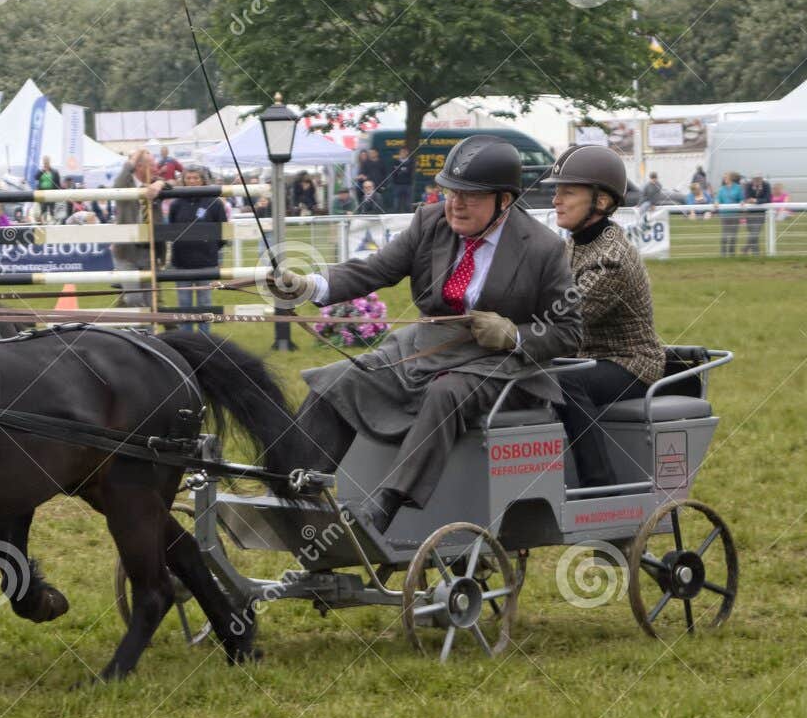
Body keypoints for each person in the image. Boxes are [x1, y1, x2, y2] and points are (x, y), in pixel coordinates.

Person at [274, 134, 582, 532]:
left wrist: (514, 334)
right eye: (450, 191)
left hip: (496, 366)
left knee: (445, 392)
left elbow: (569, 331)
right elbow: (374, 270)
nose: (455, 203)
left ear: (504, 200)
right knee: (336, 380)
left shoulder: (543, 248)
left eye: (469, 196)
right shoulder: (430, 221)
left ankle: (383, 508)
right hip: (422, 350)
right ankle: (294, 489)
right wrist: (310, 286)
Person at [541, 145, 663, 490]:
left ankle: (600, 485)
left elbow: (561, 320)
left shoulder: (611, 259)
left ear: (603, 202)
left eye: (568, 192)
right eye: (556, 191)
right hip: (585, 359)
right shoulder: (573, 243)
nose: (556, 200)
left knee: (559, 380)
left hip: (630, 364)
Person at [165, 166, 227, 334]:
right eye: (189, 178)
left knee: (205, 303)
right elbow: (171, 231)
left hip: (206, 263)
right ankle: (186, 338)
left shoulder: (215, 203)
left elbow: (224, 233)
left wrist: (210, 248)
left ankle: (204, 338)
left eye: (196, 178)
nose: (192, 181)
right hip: (181, 262)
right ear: (183, 180)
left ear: (203, 180)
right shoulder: (176, 204)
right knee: (184, 304)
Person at [112, 149, 166, 306]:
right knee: (134, 298)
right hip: (126, 252)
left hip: (149, 250)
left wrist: (160, 183)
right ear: (139, 166)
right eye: (152, 165)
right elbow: (122, 176)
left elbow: (173, 183)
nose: (156, 168)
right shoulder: (123, 185)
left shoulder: (154, 182)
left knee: (152, 300)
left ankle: (148, 330)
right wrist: (136, 154)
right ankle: (135, 328)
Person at [742, 174, 771, 254]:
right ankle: (756, 253)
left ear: (761, 180)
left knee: (755, 232)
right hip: (749, 213)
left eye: (758, 179)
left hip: (760, 213)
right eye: (755, 180)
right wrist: (751, 200)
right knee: (753, 234)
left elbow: (768, 199)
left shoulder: (766, 185)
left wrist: (755, 201)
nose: (756, 181)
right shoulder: (748, 185)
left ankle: (745, 248)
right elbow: (747, 198)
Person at [716, 171, 744, 255]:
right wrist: (716, 202)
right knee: (724, 236)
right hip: (724, 215)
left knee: (733, 236)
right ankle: (723, 254)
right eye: (724, 177)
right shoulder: (721, 189)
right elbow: (718, 199)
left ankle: (732, 254)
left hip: (735, 215)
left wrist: (742, 201)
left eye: (726, 177)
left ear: (731, 178)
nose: (724, 179)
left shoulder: (738, 188)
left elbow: (741, 198)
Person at [33, 155, 61, 222]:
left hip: (52, 193)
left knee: (52, 210)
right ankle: (43, 223)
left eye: (47, 161)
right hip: (42, 193)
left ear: (49, 162)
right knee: (43, 210)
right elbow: (36, 177)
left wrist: (58, 192)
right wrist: (41, 171)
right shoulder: (41, 171)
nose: (46, 163)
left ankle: (53, 223)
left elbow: (58, 183)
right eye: (44, 162)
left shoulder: (54, 171)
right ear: (43, 162)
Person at [388, 145, 416, 212]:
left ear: (407, 153)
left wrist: (400, 170)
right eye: (401, 152)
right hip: (397, 185)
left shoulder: (411, 162)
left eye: (404, 152)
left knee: (408, 204)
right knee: (396, 204)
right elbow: (393, 173)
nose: (402, 153)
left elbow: (410, 172)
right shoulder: (395, 162)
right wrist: (402, 170)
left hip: (408, 185)